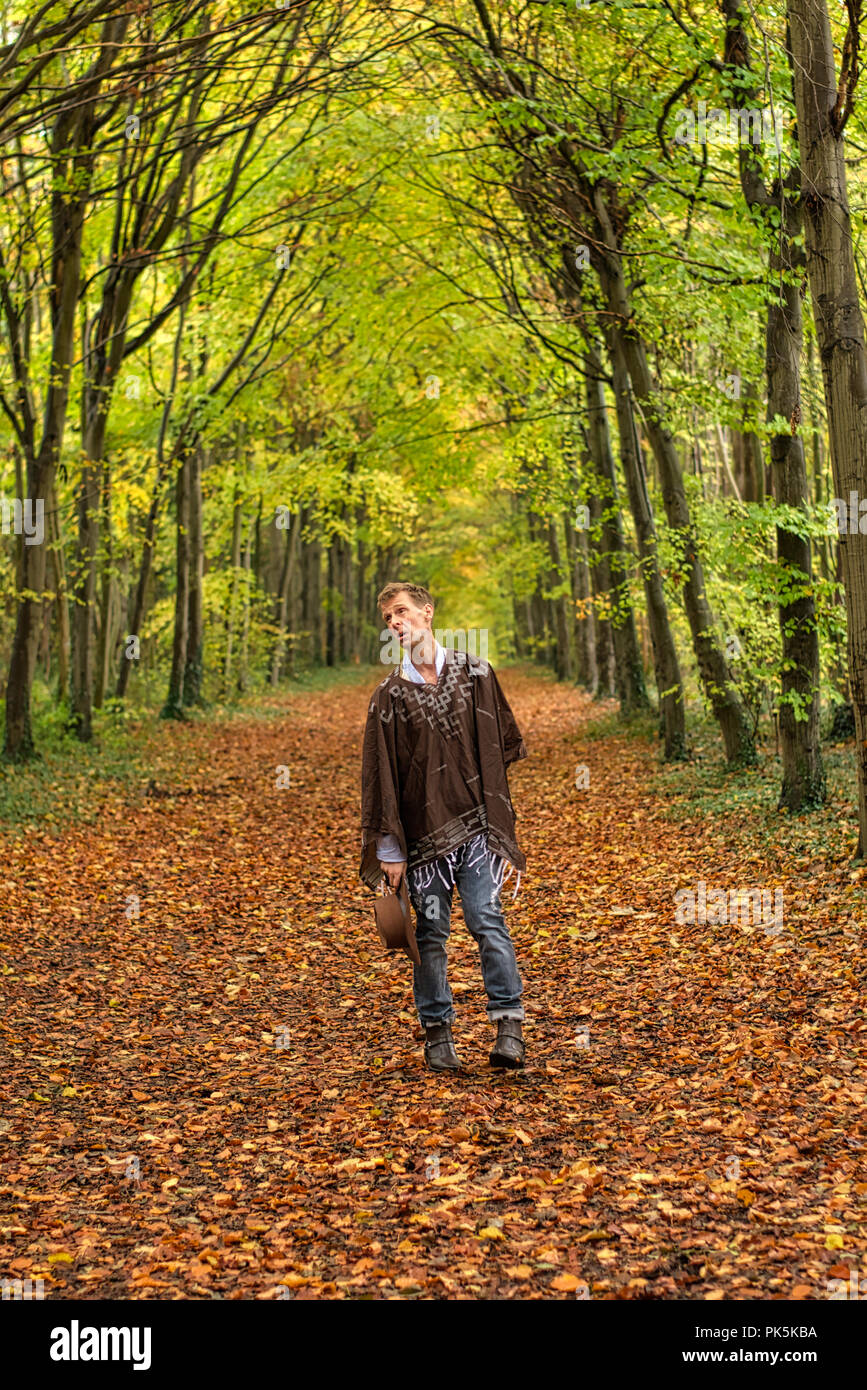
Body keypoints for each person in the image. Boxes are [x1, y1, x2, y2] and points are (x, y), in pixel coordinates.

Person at [359, 582, 528, 1071]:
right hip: (423, 840)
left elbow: (497, 751)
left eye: (403, 612)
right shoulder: (387, 696)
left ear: (427, 613)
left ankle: (509, 1026)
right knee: (430, 934)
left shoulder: (477, 673)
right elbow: (381, 778)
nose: (395, 622)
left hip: (476, 829)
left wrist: (497, 821)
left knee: (486, 919)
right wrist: (390, 850)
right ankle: (437, 1034)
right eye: (389, 617)